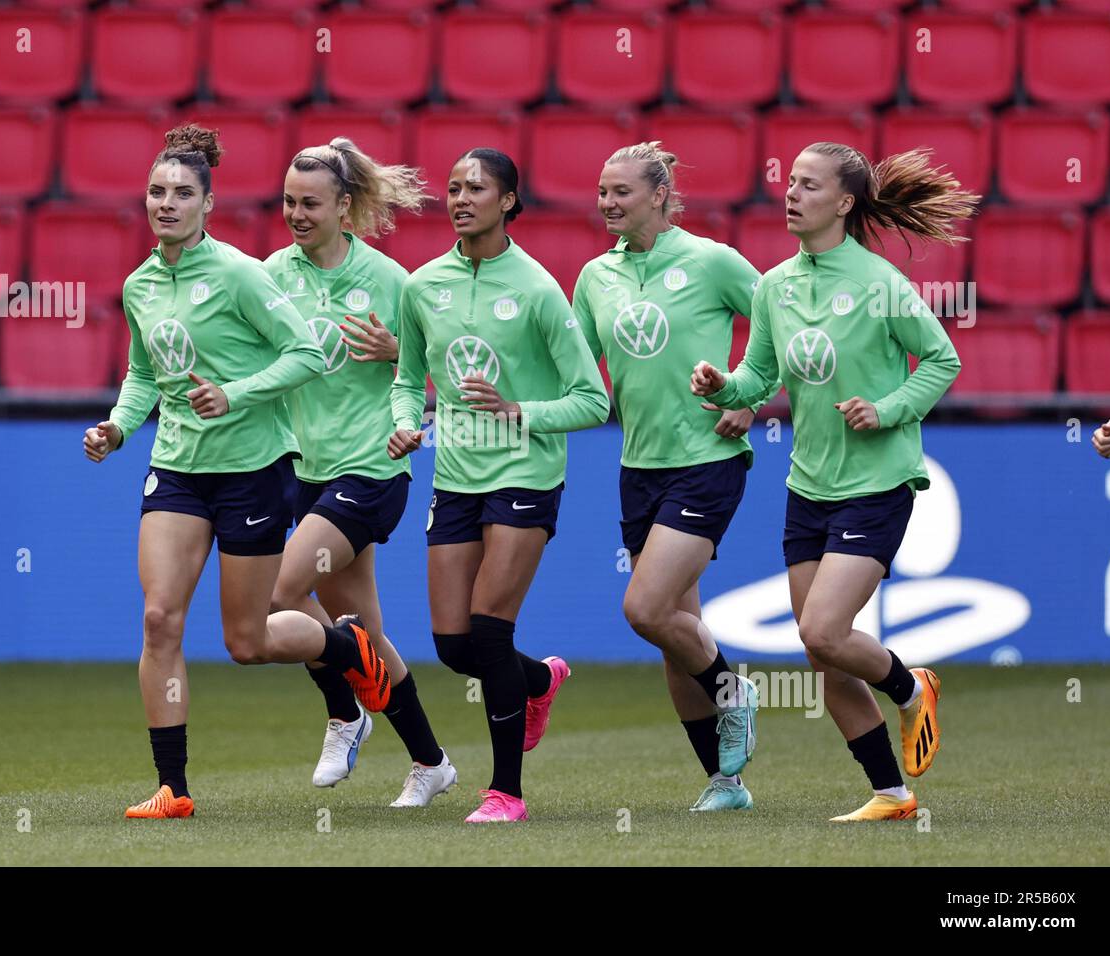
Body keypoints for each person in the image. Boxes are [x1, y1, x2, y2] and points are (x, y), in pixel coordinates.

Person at [84, 124, 391, 820]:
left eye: (183, 193)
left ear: (207, 204)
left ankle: (345, 645)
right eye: (158, 191)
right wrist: (118, 427)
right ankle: (174, 788)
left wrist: (236, 394)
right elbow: (142, 375)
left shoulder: (239, 274)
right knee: (160, 619)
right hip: (177, 472)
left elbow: (307, 354)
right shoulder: (139, 285)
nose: (168, 203)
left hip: (251, 473)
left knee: (247, 643)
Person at [692, 143, 976, 822]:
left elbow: (942, 358)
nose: (791, 193)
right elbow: (760, 377)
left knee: (823, 632)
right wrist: (724, 385)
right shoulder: (774, 285)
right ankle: (892, 793)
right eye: (790, 182)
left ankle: (912, 688)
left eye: (809, 185)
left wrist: (889, 409)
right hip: (808, 485)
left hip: (877, 481)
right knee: (822, 654)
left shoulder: (879, 282)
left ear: (844, 203)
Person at [388, 148, 610, 823]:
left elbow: (592, 400)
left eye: (476, 188)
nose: (460, 198)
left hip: (525, 475)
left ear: (508, 200)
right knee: (454, 647)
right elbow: (406, 381)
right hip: (454, 478)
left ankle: (505, 792)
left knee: (488, 636)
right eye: (453, 188)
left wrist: (521, 412)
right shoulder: (421, 286)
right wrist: (405, 424)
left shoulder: (540, 290)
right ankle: (539, 678)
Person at [572, 142, 770, 813]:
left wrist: (748, 397)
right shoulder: (595, 276)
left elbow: (784, 324)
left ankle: (734, 692)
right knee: (675, 630)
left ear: (659, 195)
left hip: (707, 461)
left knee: (646, 610)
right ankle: (726, 783)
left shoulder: (711, 261)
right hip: (638, 468)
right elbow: (570, 364)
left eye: (620, 192)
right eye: (602, 192)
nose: (607, 203)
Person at [266, 138, 456, 807]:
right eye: (288, 201)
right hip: (307, 472)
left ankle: (346, 715)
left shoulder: (391, 281)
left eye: (309, 202)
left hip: (374, 468)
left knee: (280, 591)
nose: (295, 213)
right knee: (362, 632)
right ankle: (430, 761)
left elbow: (452, 367)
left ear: (344, 207)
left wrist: (402, 350)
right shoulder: (270, 277)